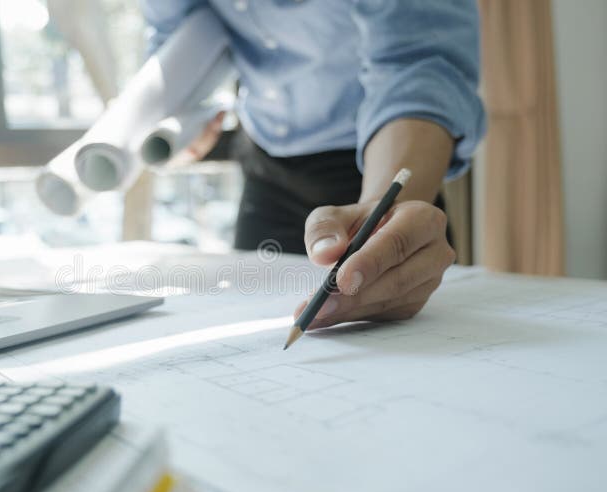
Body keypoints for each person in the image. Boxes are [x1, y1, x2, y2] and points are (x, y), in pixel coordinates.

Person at [140, 0, 486, 327]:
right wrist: (183, 112)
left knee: (385, 295)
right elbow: (175, 29)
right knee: (253, 320)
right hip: (264, 165)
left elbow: (418, 62)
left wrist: (378, 210)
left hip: (376, 163)